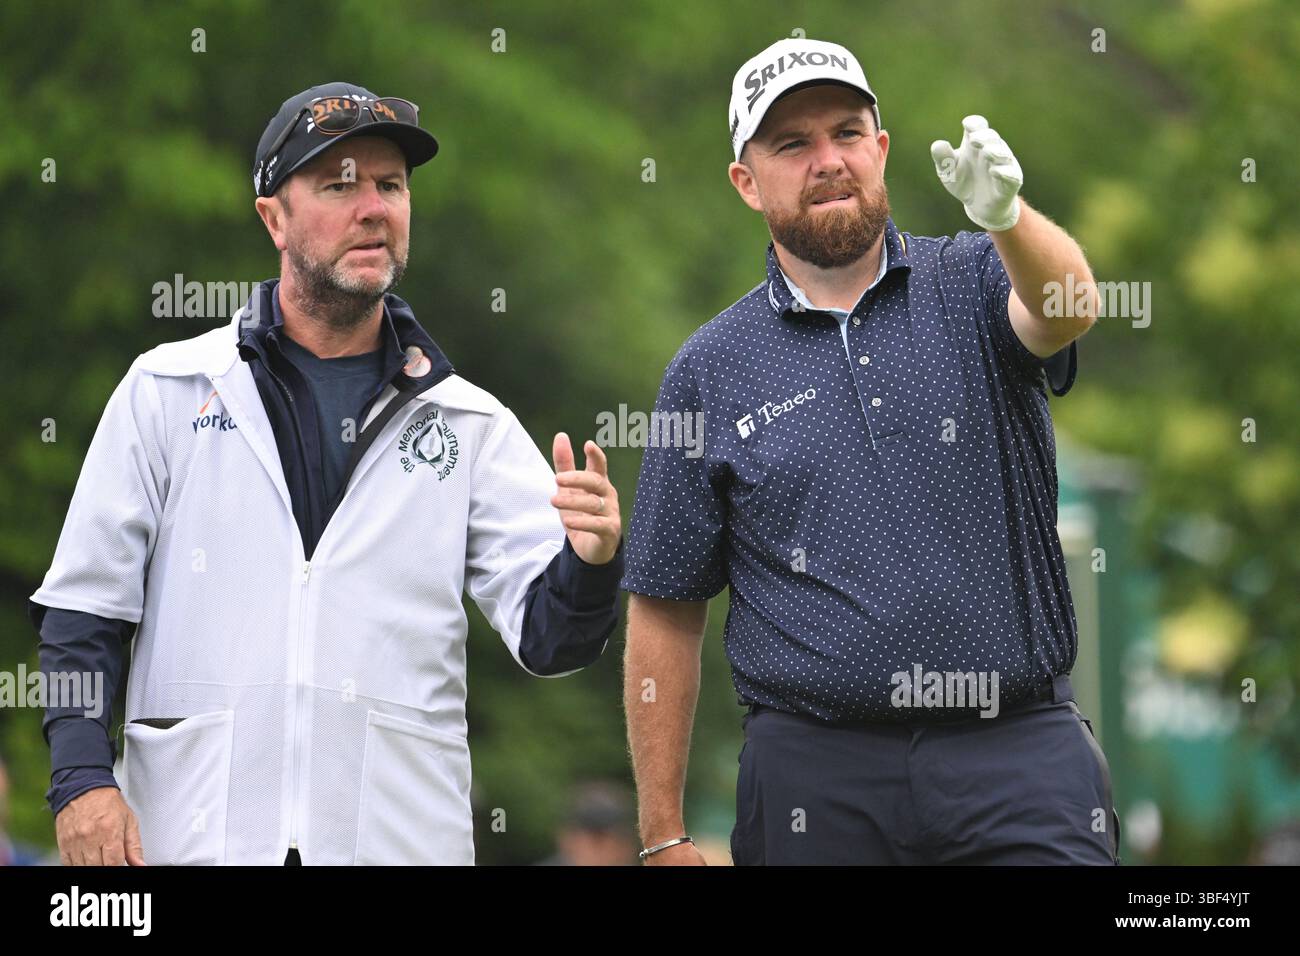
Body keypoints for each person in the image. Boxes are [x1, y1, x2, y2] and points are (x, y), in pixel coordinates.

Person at [30, 82, 624, 866]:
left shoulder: (467, 424)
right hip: (193, 842)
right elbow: (82, 616)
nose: (372, 206)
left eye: (390, 184)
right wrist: (80, 782)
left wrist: (592, 563)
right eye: (338, 184)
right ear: (273, 217)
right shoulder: (166, 389)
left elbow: (551, 642)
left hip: (397, 846)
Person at [621, 39, 1119, 865]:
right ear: (747, 182)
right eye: (792, 144)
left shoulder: (974, 277)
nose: (828, 161)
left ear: (880, 150)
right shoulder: (710, 368)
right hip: (816, 776)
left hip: (1018, 756)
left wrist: (1008, 219)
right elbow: (666, 604)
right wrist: (662, 833)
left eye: (847, 133)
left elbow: (1068, 308)